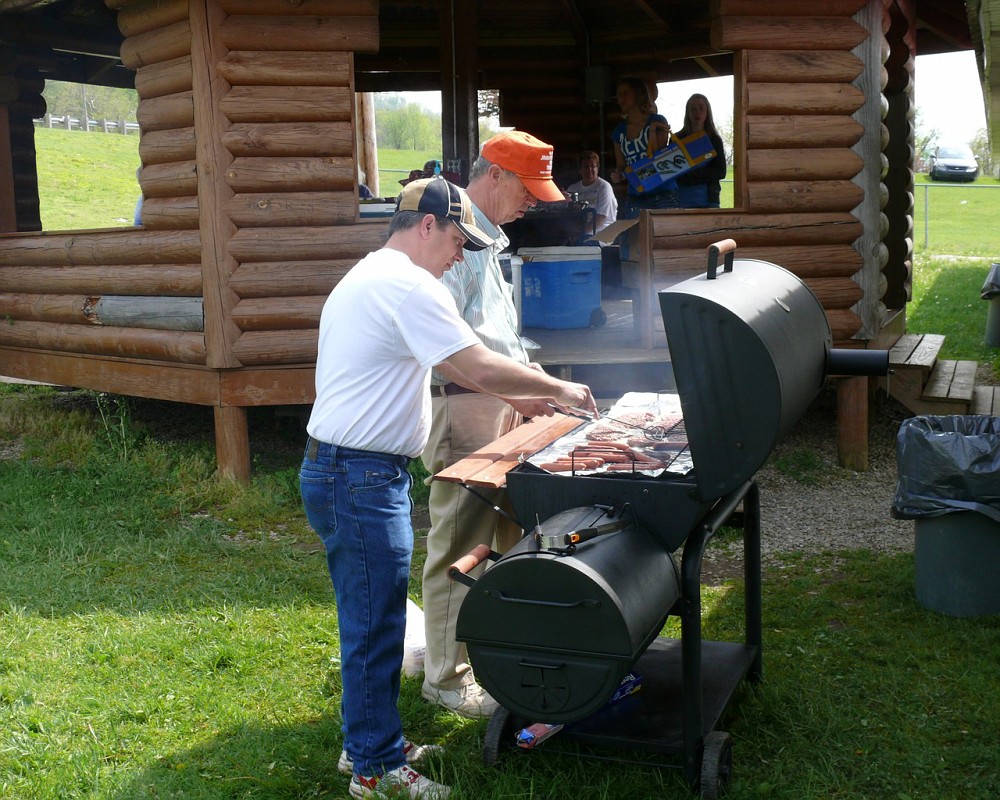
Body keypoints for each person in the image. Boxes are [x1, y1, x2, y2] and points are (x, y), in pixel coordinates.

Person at [300, 176, 596, 800]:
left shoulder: (373, 275)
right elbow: (474, 361)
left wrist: (519, 395)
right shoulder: (408, 285)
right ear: (427, 225)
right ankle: (376, 770)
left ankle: (370, 741)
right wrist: (556, 388)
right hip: (357, 476)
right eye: (457, 240)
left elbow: (452, 363)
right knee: (373, 624)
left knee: (370, 615)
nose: (460, 254)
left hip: (343, 470)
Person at [420, 130, 568, 719]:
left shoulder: (492, 236)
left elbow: (496, 334)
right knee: (460, 544)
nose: (534, 201)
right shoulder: (452, 237)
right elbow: (450, 351)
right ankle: (445, 680)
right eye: (528, 189)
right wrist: (523, 389)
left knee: (506, 538)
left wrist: (532, 384)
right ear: (495, 176)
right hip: (463, 403)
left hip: (501, 401)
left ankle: (494, 658)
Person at [609, 76, 678, 218]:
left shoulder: (658, 121)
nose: (621, 97)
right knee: (633, 237)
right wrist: (618, 175)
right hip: (636, 193)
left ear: (638, 94)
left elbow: (659, 160)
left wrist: (652, 130)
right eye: (619, 94)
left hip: (663, 193)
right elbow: (622, 166)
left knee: (663, 237)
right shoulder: (618, 131)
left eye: (626, 93)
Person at [675, 93, 727, 209]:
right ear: (687, 113)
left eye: (701, 108)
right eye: (692, 109)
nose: (697, 112)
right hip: (682, 199)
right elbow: (674, 171)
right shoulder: (677, 139)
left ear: (707, 111)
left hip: (709, 199)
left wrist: (695, 172)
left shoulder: (714, 139)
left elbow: (721, 171)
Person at [564, 150, 618, 234]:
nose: (590, 170)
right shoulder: (572, 188)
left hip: (602, 235)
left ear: (598, 169)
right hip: (579, 234)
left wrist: (581, 234)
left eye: (593, 166)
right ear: (580, 170)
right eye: (586, 167)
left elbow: (601, 217)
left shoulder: (604, 187)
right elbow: (567, 216)